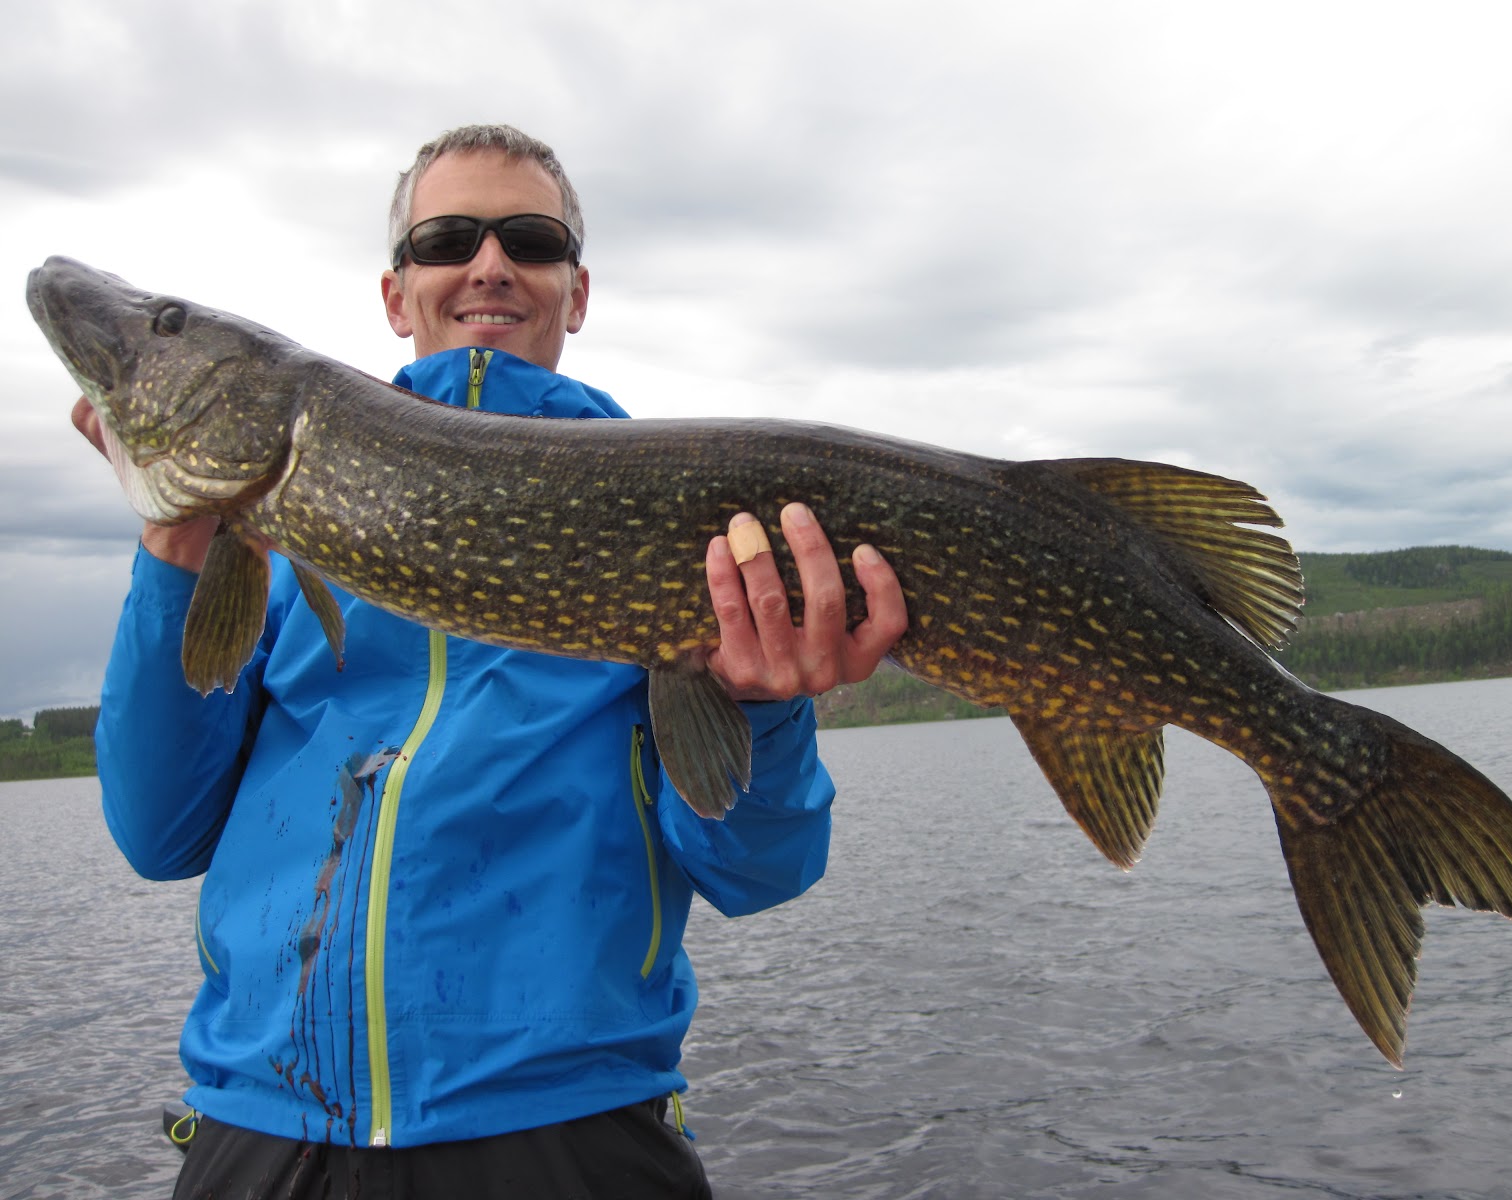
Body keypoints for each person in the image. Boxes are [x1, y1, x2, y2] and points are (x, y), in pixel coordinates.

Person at [73, 124, 907, 1199]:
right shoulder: (272, 566)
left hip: (567, 1142)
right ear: (395, 292)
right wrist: (177, 544)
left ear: (576, 289)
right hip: (262, 1135)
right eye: (447, 237)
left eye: (528, 237)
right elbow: (156, 833)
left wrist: (761, 707)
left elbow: (759, 871)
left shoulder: (688, 533)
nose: (489, 262)